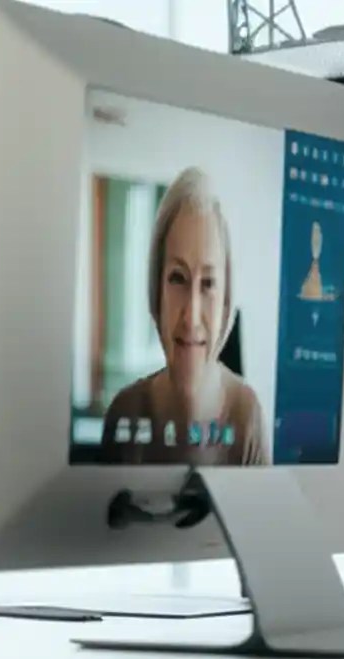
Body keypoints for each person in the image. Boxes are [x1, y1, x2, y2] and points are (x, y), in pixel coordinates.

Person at [99, 166, 268, 465]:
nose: (191, 317)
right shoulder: (124, 413)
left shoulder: (247, 415)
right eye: (177, 278)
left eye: (208, 284)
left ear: (226, 300)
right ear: (156, 289)